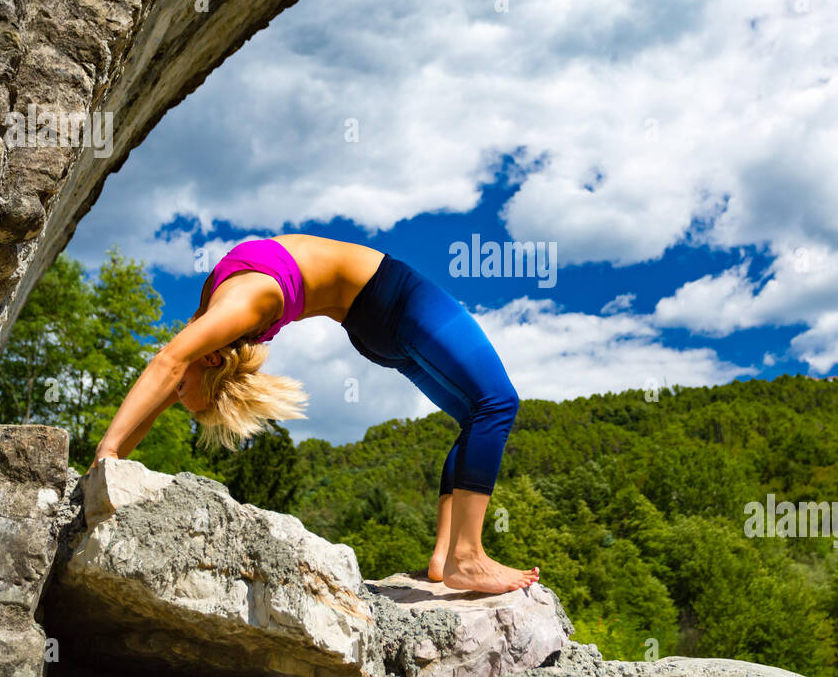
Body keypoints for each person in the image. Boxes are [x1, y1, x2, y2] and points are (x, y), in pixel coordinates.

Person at [92, 233, 539, 595]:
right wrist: (107, 459)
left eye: (180, 390)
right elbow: (167, 367)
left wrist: (107, 460)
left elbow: (162, 376)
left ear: (209, 360)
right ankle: (468, 556)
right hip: (394, 300)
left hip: (373, 320)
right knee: (496, 403)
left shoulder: (216, 313)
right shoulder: (235, 308)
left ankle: (445, 556)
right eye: (179, 390)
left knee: (477, 415)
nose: (172, 387)